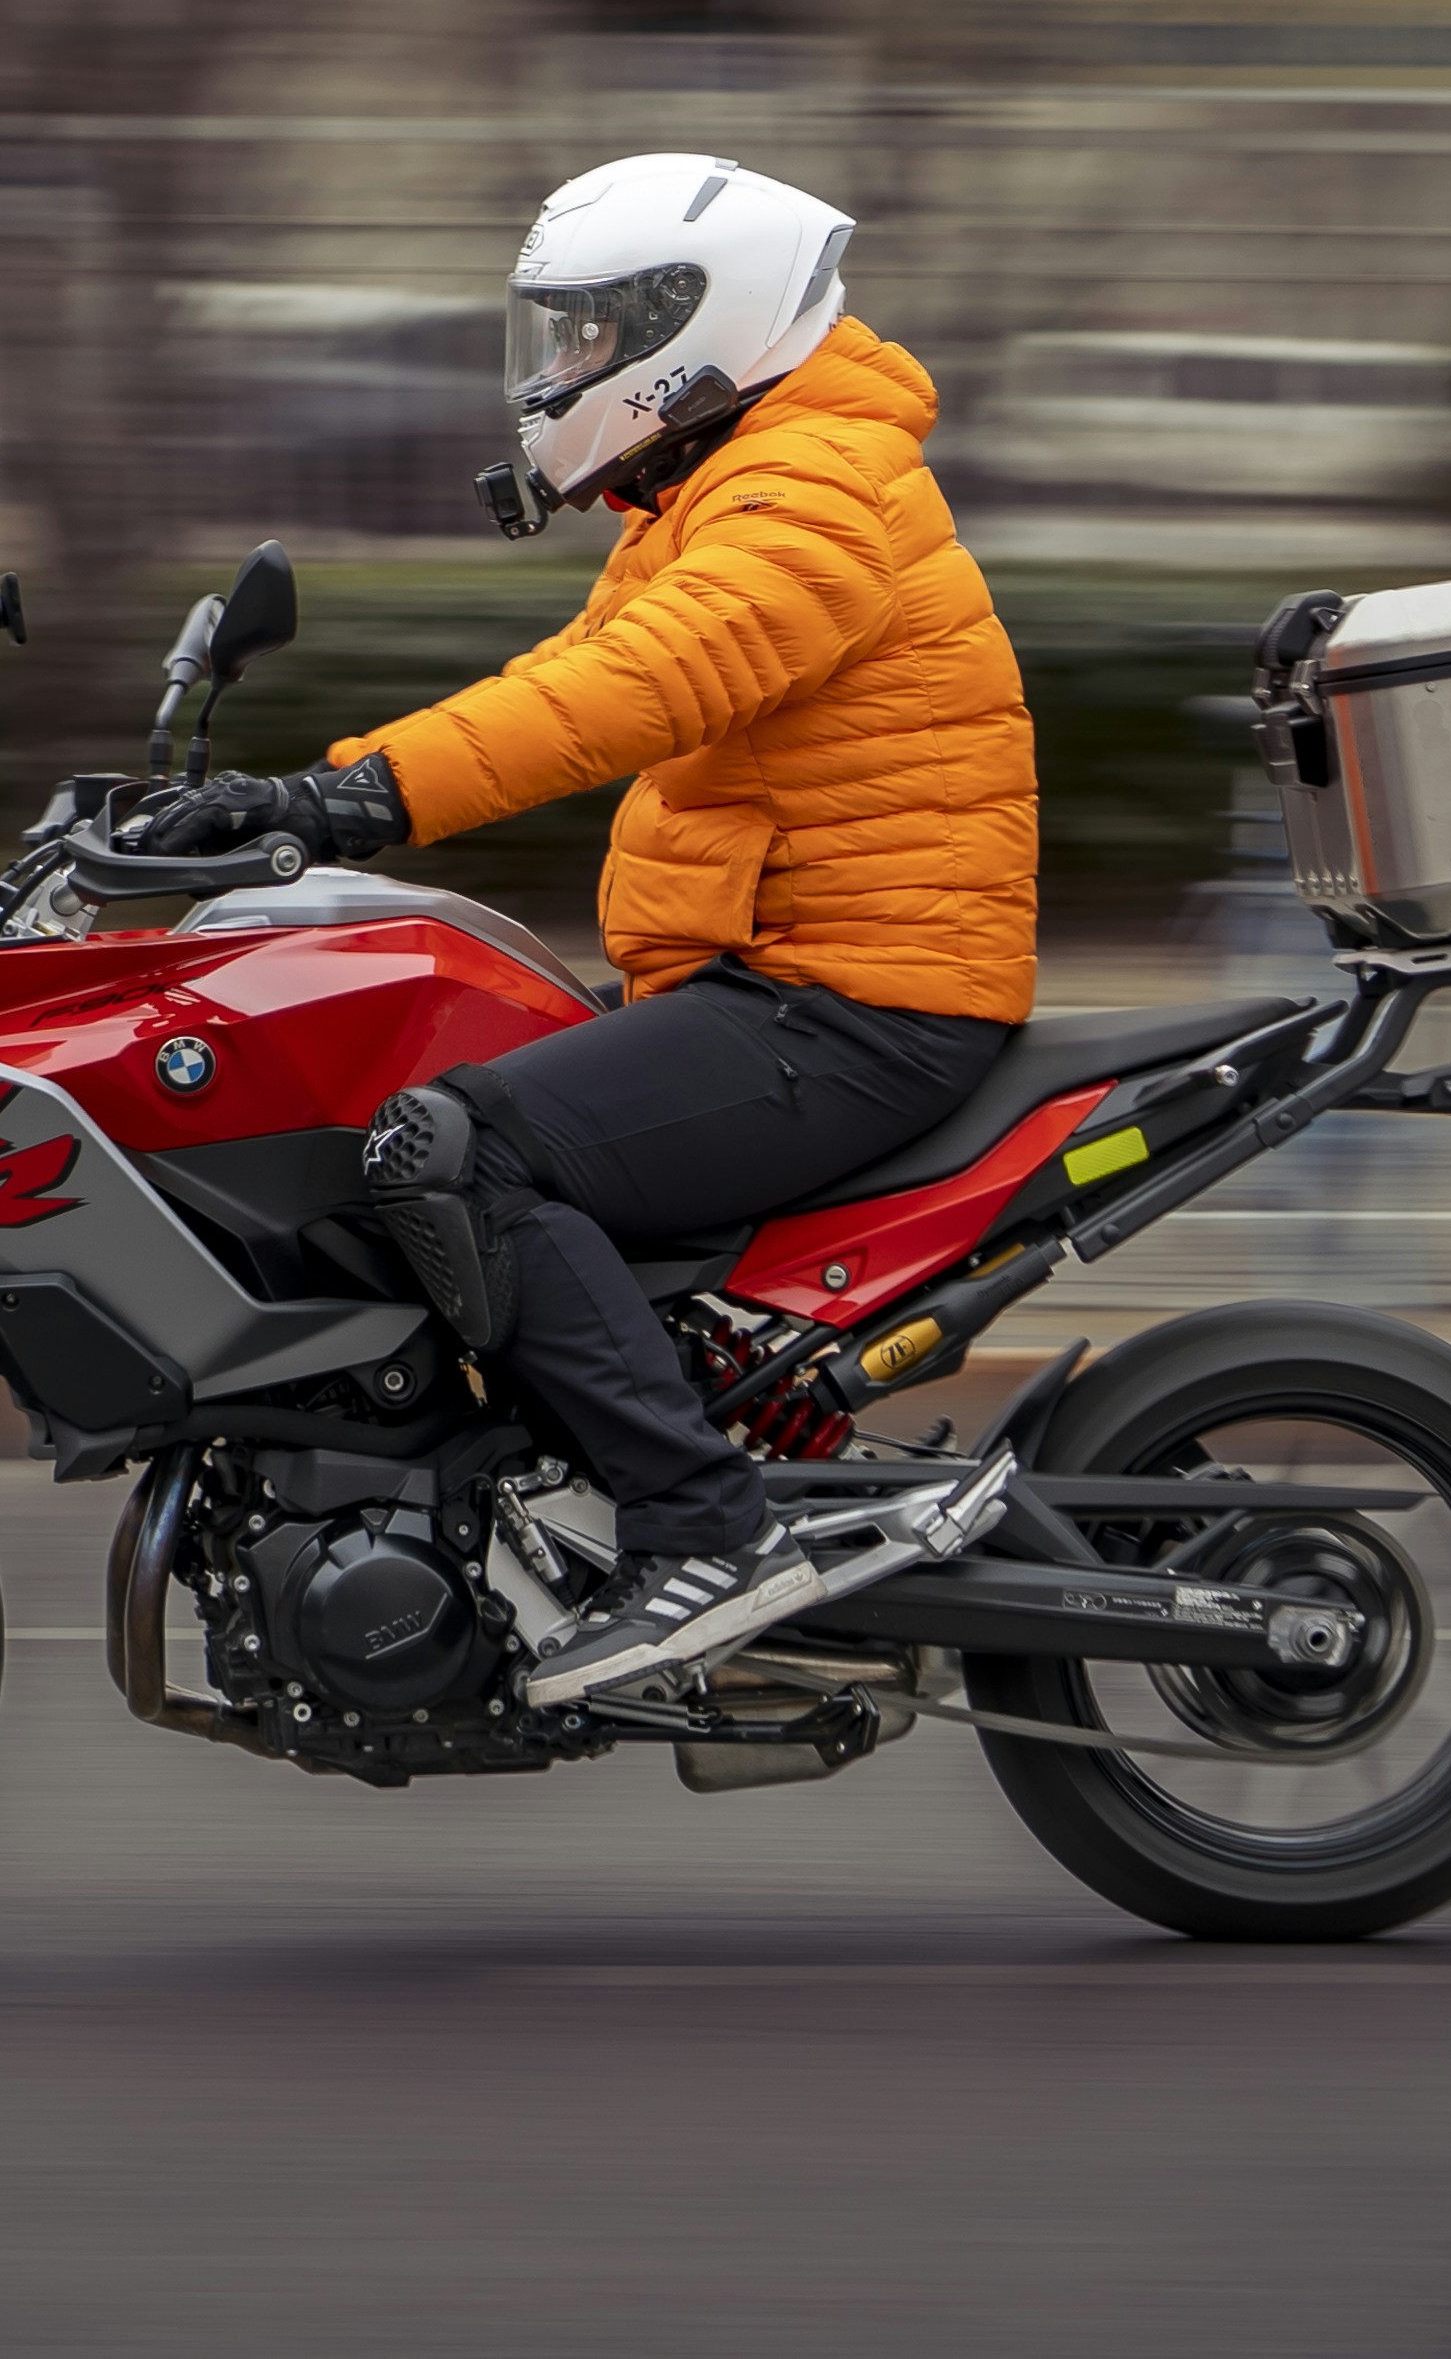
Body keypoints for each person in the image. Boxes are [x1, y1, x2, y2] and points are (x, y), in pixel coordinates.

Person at [127, 151, 1037, 1703]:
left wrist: (353, 797)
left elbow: (634, 689)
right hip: (794, 978)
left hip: (858, 1001)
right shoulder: (735, 476)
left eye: (582, 337)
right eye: (549, 339)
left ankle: (705, 1527)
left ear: (700, 324)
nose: (555, 374)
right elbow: (566, 675)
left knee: (456, 1147)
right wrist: (289, 793)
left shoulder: (817, 487)